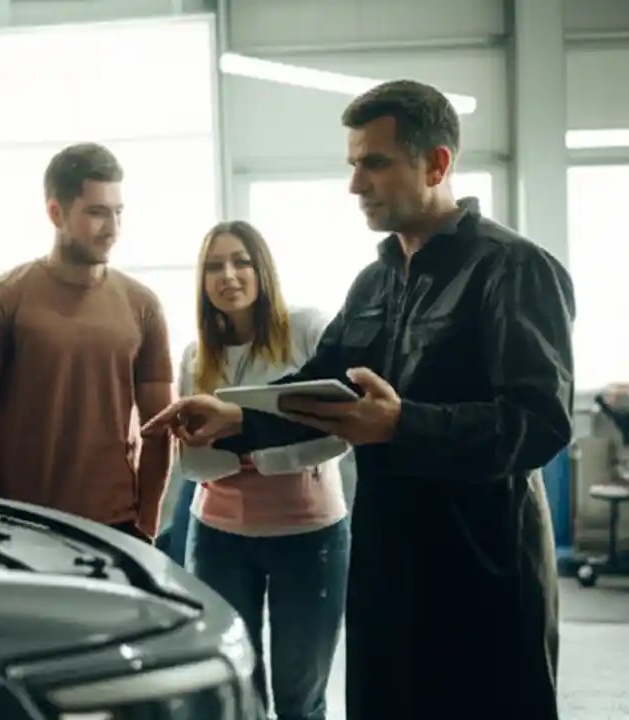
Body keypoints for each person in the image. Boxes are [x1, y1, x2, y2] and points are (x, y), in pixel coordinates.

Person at [143, 80, 574, 720]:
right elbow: (323, 386)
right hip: (386, 560)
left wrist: (403, 426)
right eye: (353, 164)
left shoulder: (512, 269)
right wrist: (236, 417)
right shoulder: (374, 282)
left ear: (436, 163)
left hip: (484, 566)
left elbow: (538, 424)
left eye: (375, 163)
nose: (355, 185)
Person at [0, 142, 174, 540]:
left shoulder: (143, 306)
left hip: (116, 524)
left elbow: (160, 428)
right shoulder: (0, 301)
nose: (112, 228)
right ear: (55, 212)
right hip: (21, 525)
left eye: (117, 212)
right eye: (96, 212)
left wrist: (147, 524)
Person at [178, 220, 350, 720]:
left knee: (300, 697)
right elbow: (195, 450)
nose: (227, 276)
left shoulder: (307, 329)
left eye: (240, 262)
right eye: (214, 266)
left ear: (262, 270)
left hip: (308, 534)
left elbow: (339, 427)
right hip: (217, 534)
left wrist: (250, 446)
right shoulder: (195, 354)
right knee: (232, 688)